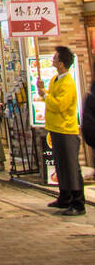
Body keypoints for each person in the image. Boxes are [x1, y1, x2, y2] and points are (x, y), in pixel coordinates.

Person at [38, 46, 85, 216]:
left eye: (56, 57)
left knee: (71, 167)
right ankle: (64, 196)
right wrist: (44, 92)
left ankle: (78, 203)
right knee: (61, 166)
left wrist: (45, 95)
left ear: (62, 63)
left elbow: (59, 105)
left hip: (66, 130)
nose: (53, 59)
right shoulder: (56, 79)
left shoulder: (68, 83)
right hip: (55, 128)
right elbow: (51, 98)